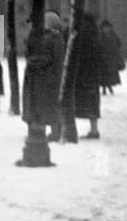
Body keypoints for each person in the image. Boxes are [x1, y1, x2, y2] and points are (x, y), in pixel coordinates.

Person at [22, 10, 66, 141]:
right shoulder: (57, 39)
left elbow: (43, 58)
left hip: (44, 77)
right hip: (50, 77)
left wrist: (32, 61)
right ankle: (53, 131)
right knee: (49, 105)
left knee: (43, 105)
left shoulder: (49, 39)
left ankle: (44, 131)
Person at [60, 10, 103, 140]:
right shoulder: (95, 34)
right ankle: (94, 129)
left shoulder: (74, 32)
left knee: (72, 100)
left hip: (77, 74)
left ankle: (68, 128)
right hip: (92, 75)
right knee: (92, 103)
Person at [98, 19, 124, 94]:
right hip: (102, 59)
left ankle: (109, 87)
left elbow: (119, 43)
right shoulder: (100, 35)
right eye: (104, 27)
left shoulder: (113, 35)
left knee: (109, 75)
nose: (106, 29)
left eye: (107, 27)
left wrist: (115, 52)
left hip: (111, 59)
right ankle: (104, 89)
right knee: (103, 75)